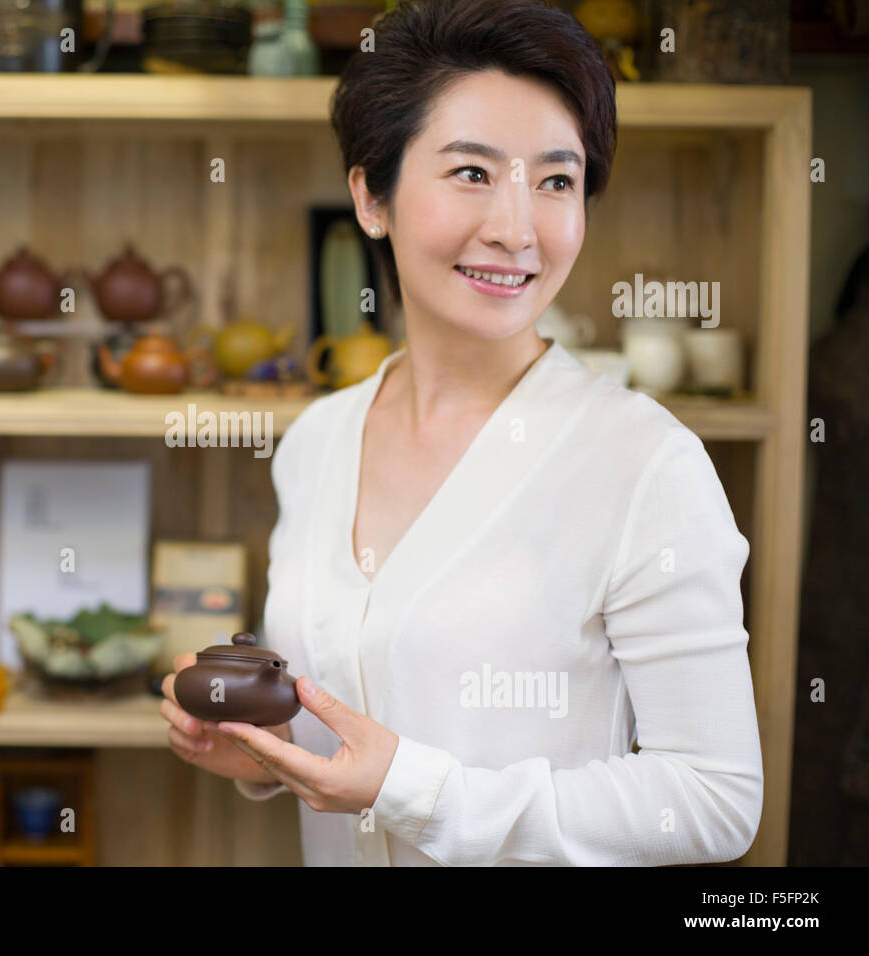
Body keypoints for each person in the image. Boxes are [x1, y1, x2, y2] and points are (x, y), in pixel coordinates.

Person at [160, 0, 763, 866]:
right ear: (371, 195)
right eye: (473, 173)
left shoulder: (645, 466)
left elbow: (713, 800)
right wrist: (259, 753)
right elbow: (350, 724)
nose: (517, 228)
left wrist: (414, 791)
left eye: (556, 180)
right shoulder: (318, 442)